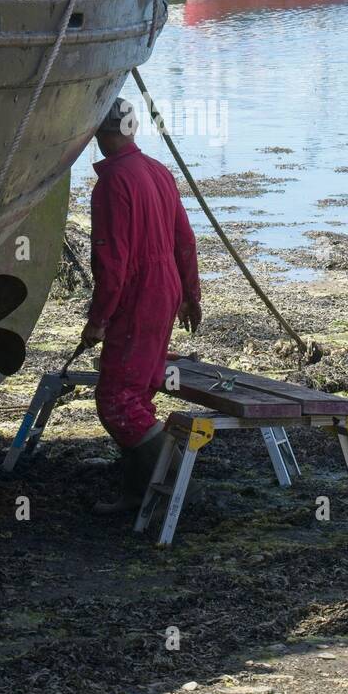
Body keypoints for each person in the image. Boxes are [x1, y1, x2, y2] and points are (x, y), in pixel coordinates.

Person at [81, 98, 201, 512]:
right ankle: (141, 480)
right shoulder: (158, 171)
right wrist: (189, 296)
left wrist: (98, 319)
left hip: (138, 295)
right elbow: (185, 240)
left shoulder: (113, 182)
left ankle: (165, 484)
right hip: (165, 290)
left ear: (100, 132)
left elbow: (112, 263)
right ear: (132, 129)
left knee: (116, 400)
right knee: (140, 388)